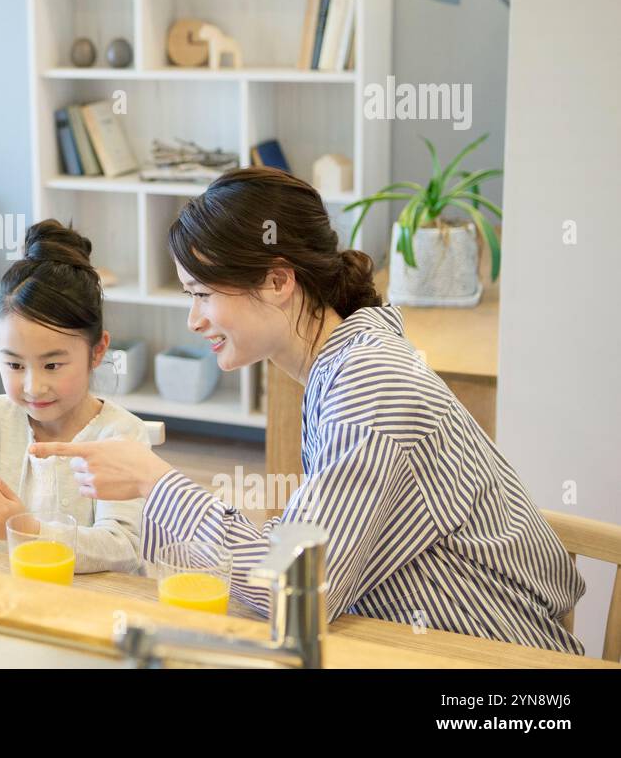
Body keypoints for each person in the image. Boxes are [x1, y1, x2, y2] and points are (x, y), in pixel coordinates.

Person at [32, 167, 586, 654]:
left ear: (278, 281)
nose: (194, 321)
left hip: (491, 661)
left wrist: (157, 484)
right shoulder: (344, 363)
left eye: (202, 294)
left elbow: (301, 589)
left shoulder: (368, 383)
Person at [0, 220, 151, 574]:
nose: (34, 386)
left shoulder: (121, 436)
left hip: (87, 608)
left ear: (97, 351)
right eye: (15, 365)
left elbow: (123, 549)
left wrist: (23, 528)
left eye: (52, 365)